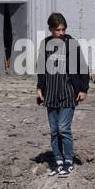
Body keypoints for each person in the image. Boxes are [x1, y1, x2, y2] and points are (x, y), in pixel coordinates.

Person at [36, 12, 90, 178]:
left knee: (63, 129)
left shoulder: (71, 44)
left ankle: (68, 161)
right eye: (58, 30)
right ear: (51, 29)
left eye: (63, 29)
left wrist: (83, 89)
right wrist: (39, 88)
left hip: (68, 92)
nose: (61, 32)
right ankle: (58, 161)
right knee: (54, 130)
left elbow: (83, 68)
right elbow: (41, 69)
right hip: (50, 93)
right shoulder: (45, 44)